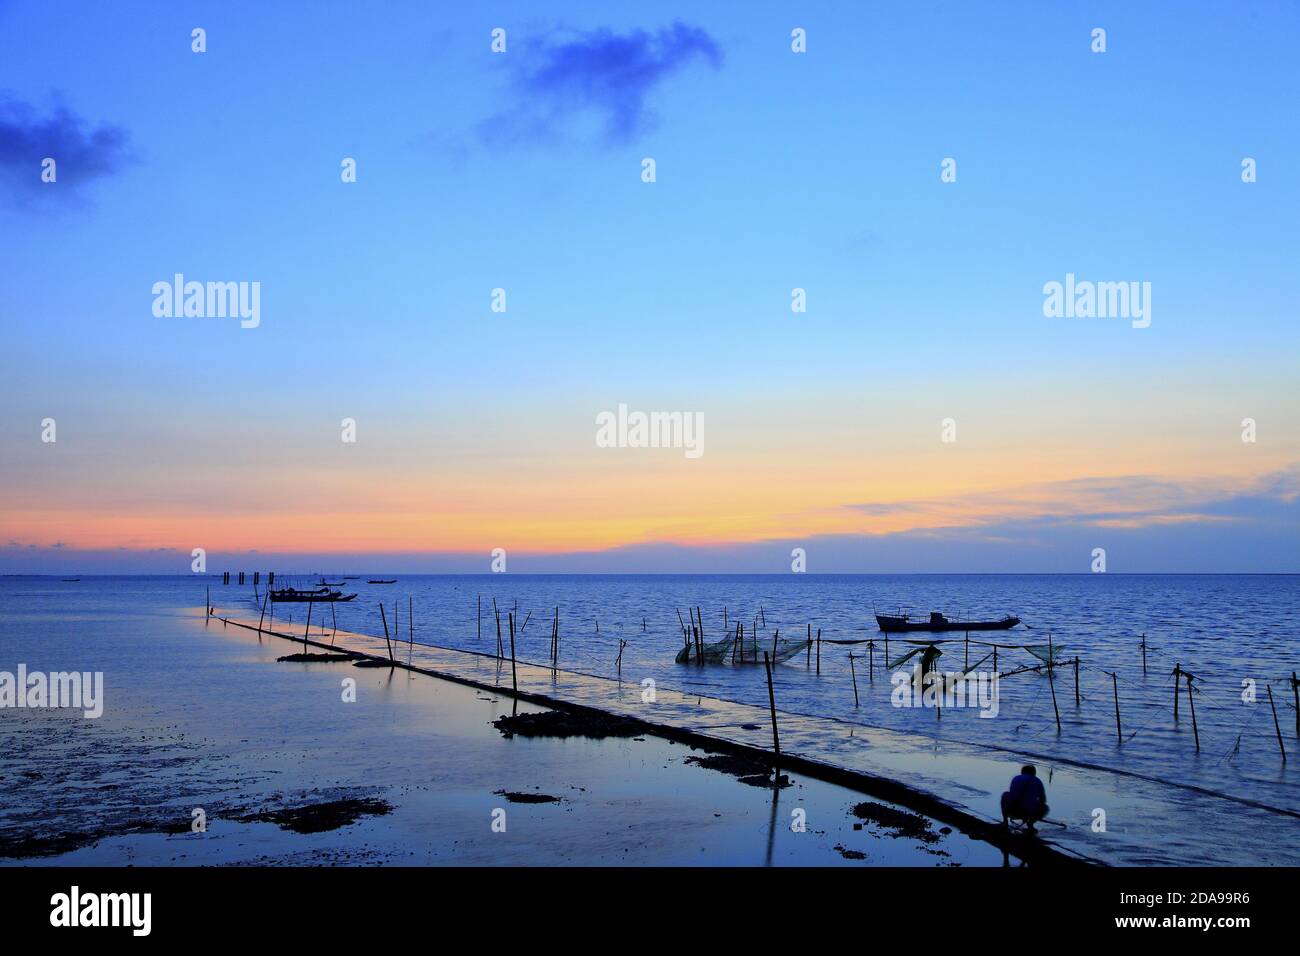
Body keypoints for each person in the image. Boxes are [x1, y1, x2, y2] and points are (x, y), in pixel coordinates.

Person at [1001, 764, 1048, 831]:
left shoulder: (1016, 778)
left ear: (1022, 772)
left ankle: (1005, 821)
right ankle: (1030, 824)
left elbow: (1013, 795)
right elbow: (1043, 799)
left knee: (1005, 794)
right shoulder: (1038, 781)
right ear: (1034, 773)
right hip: (1028, 812)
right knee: (1045, 807)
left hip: (1012, 809)